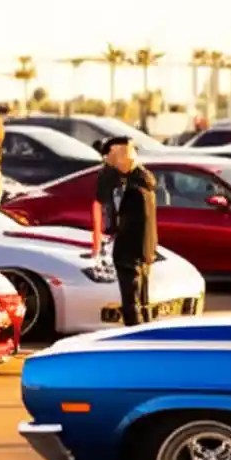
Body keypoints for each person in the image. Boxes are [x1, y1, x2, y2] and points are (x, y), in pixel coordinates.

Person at [91, 136, 157, 327]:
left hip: (131, 250)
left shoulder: (136, 187)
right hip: (141, 250)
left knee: (133, 301)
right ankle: (144, 335)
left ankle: (137, 339)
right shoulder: (138, 180)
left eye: (111, 156)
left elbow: (129, 219)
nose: (108, 162)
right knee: (140, 300)